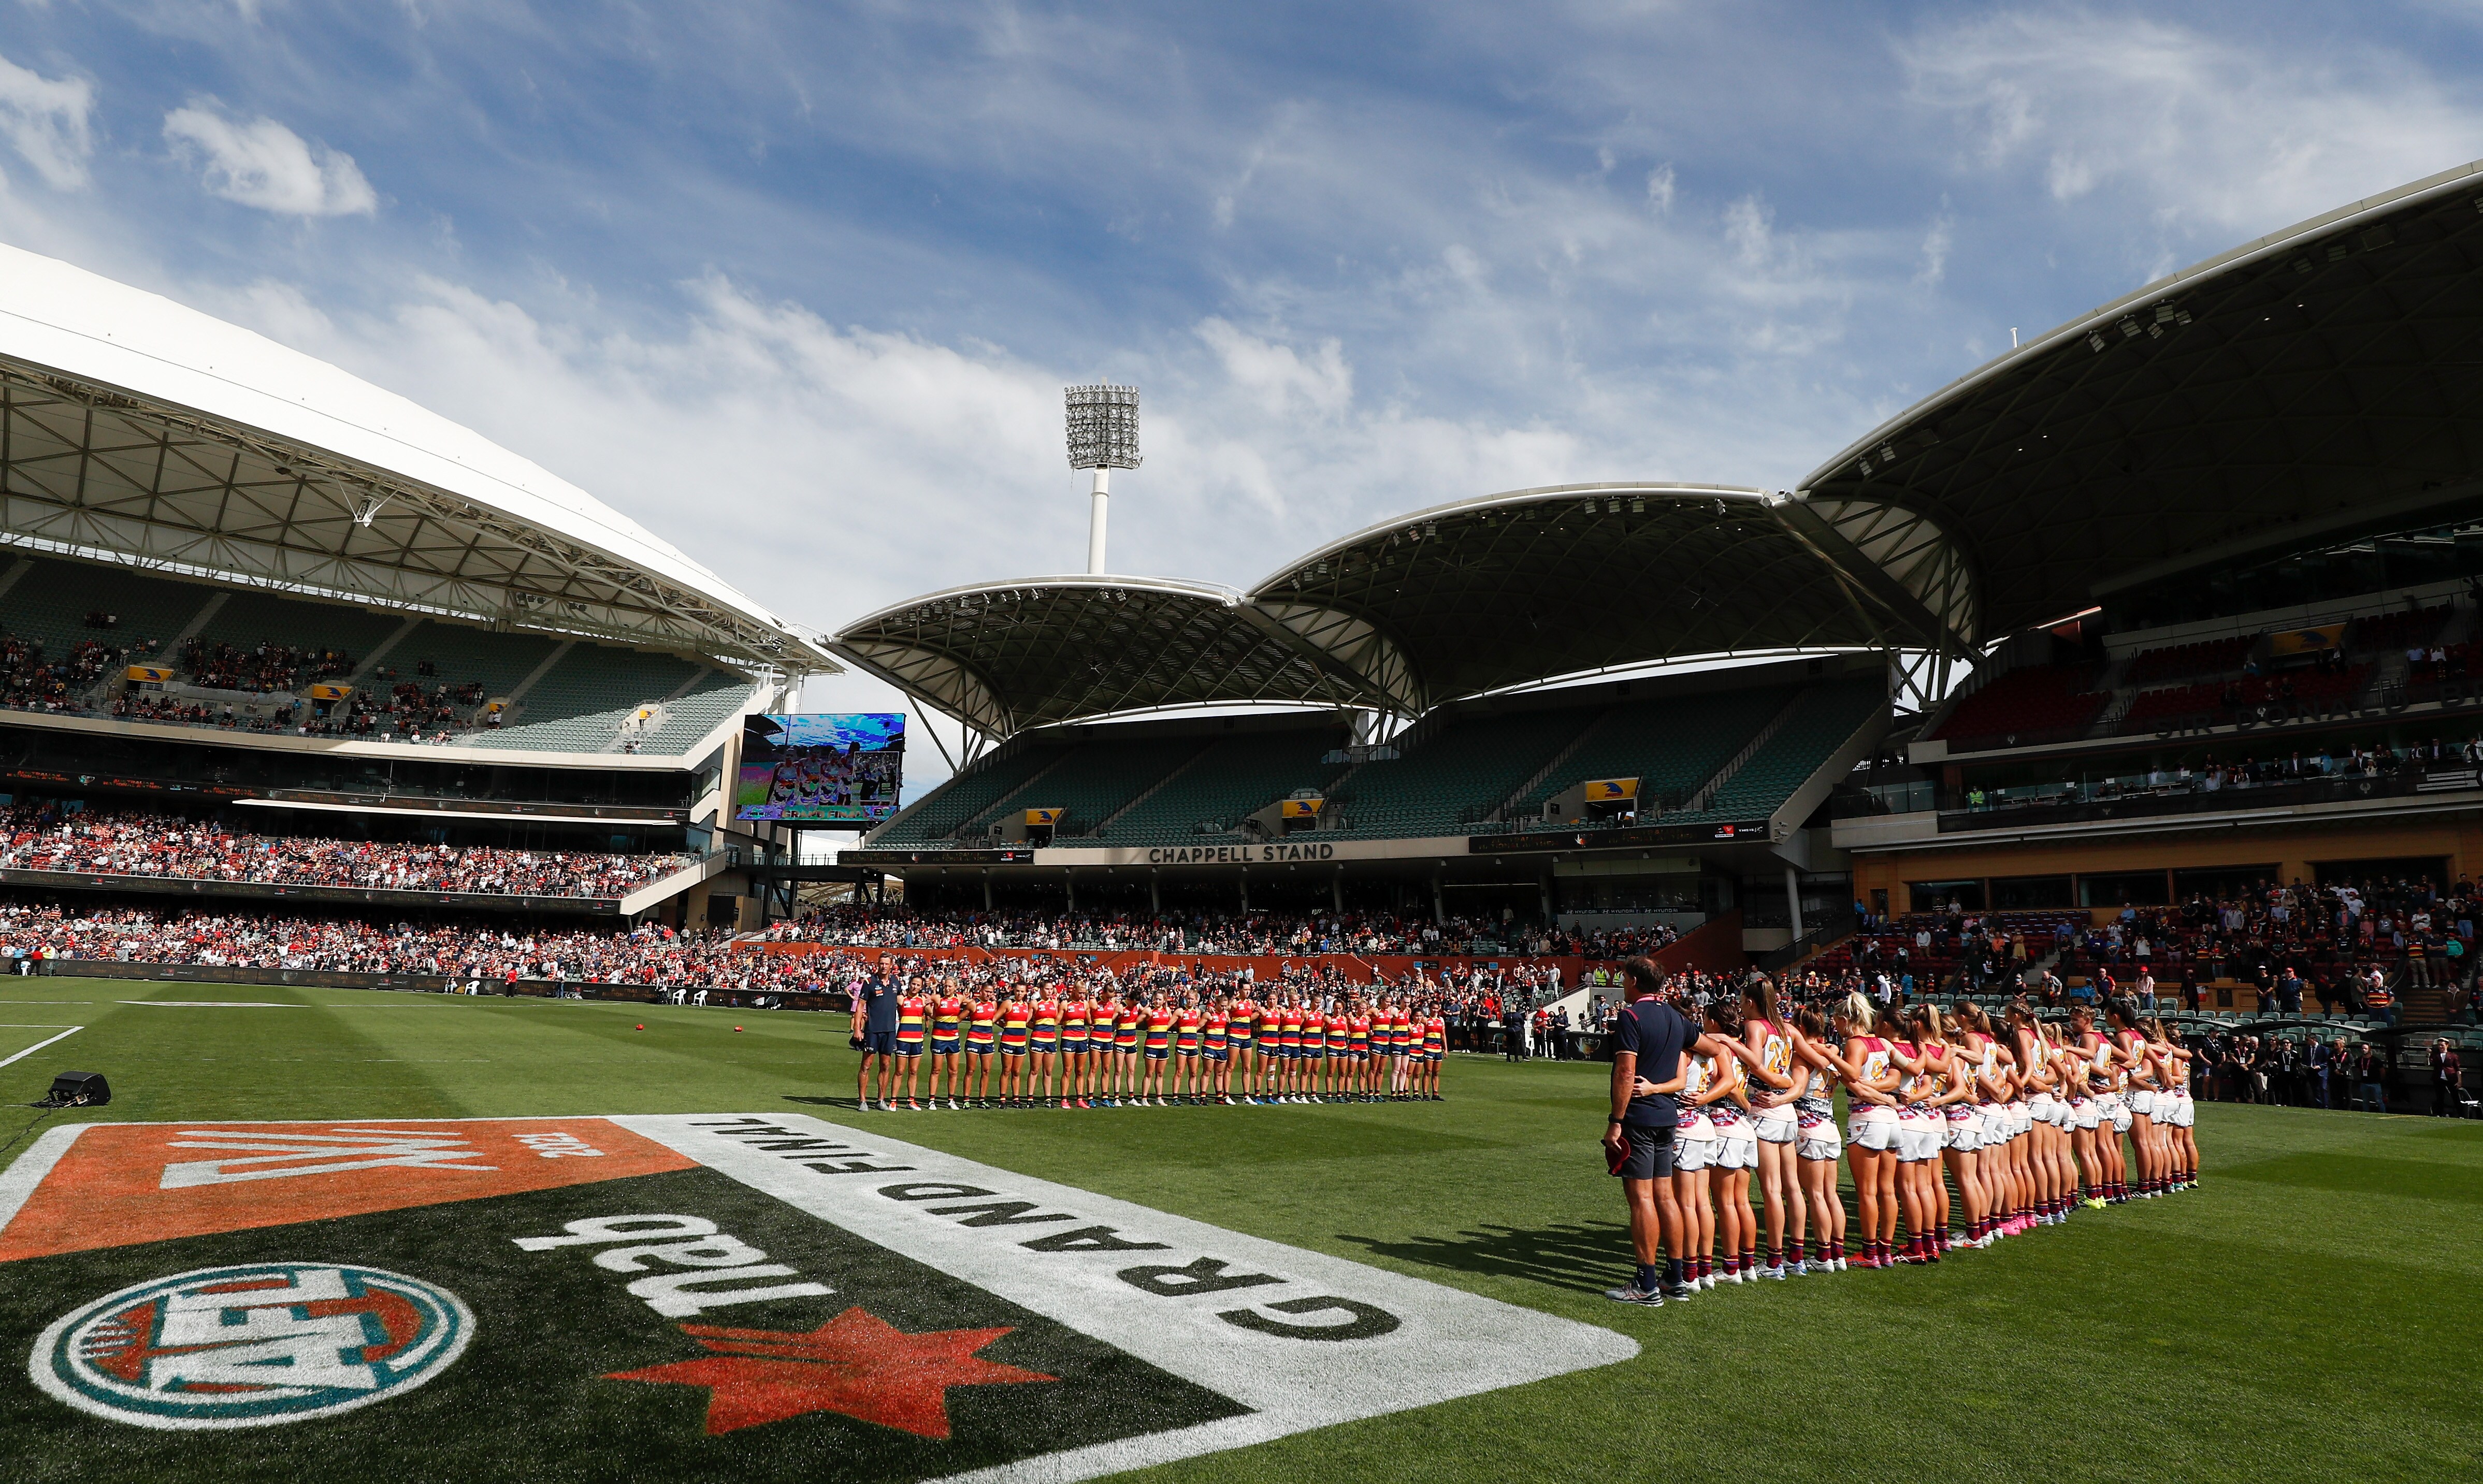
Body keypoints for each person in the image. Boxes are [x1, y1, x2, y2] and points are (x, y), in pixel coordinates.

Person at [1601, 956, 1692, 1305]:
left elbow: (1626, 1072)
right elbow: (1712, 1048)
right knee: (1665, 1197)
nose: (1622, 983)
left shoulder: (1632, 1015)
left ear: (1635, 981)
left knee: (1641, 1200)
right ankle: (1675, 1278)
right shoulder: (1675, 1016)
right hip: (1668, 1116)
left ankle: (1646, 1283)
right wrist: (1673, 1084)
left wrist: (1616, 1120)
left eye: (1624, 977)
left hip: (1639, 1118)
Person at [850, 969, 900, 1111]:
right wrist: (858, 1029)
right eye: (881, 963)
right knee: (866, 1066)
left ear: (891, 966)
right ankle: (863, 1101)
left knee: (885, 1066)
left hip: (889, 1031)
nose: (883, 966)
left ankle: (881, 1100)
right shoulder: (870, 982)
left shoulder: (896, 982)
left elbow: (903, 1000)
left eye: (886, 964)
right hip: (872, 1031)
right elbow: (860, 1006)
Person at [2432, 1039, 2464, 1116]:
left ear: (2447, 1045)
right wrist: (2427, 1055)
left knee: (2455, 1097)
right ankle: (2439, 1114)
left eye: (2442, 1045)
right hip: (2439, 1078)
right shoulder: (2435, 1055)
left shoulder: (2453, 1056)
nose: (2440, 1047)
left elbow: (2458, 1070)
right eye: (2439, 1045)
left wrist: (2459, 1081)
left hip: (2451, 1078)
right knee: (2440, 1097)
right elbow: (2429, 1063)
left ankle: (2461, 1115)